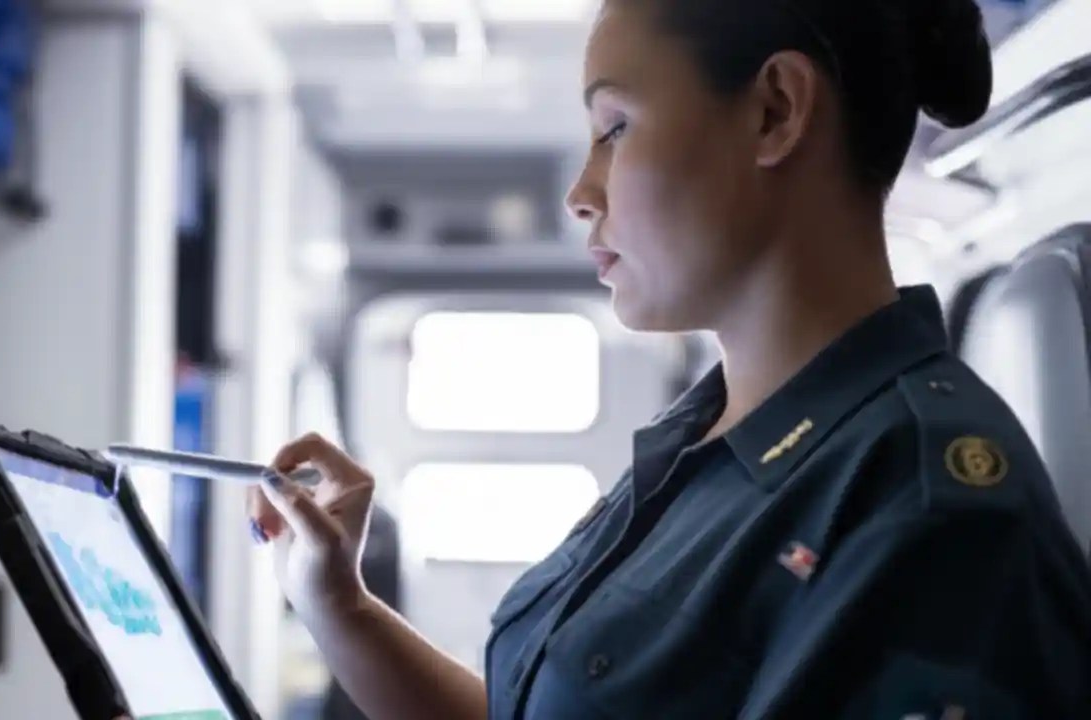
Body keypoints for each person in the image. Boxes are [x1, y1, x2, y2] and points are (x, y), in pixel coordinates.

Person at [247, 0, 1091, 718]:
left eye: (615, 127)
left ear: (774, 111)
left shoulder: (926, 510)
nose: (580, 192)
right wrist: (339, 607)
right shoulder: (702, 445)